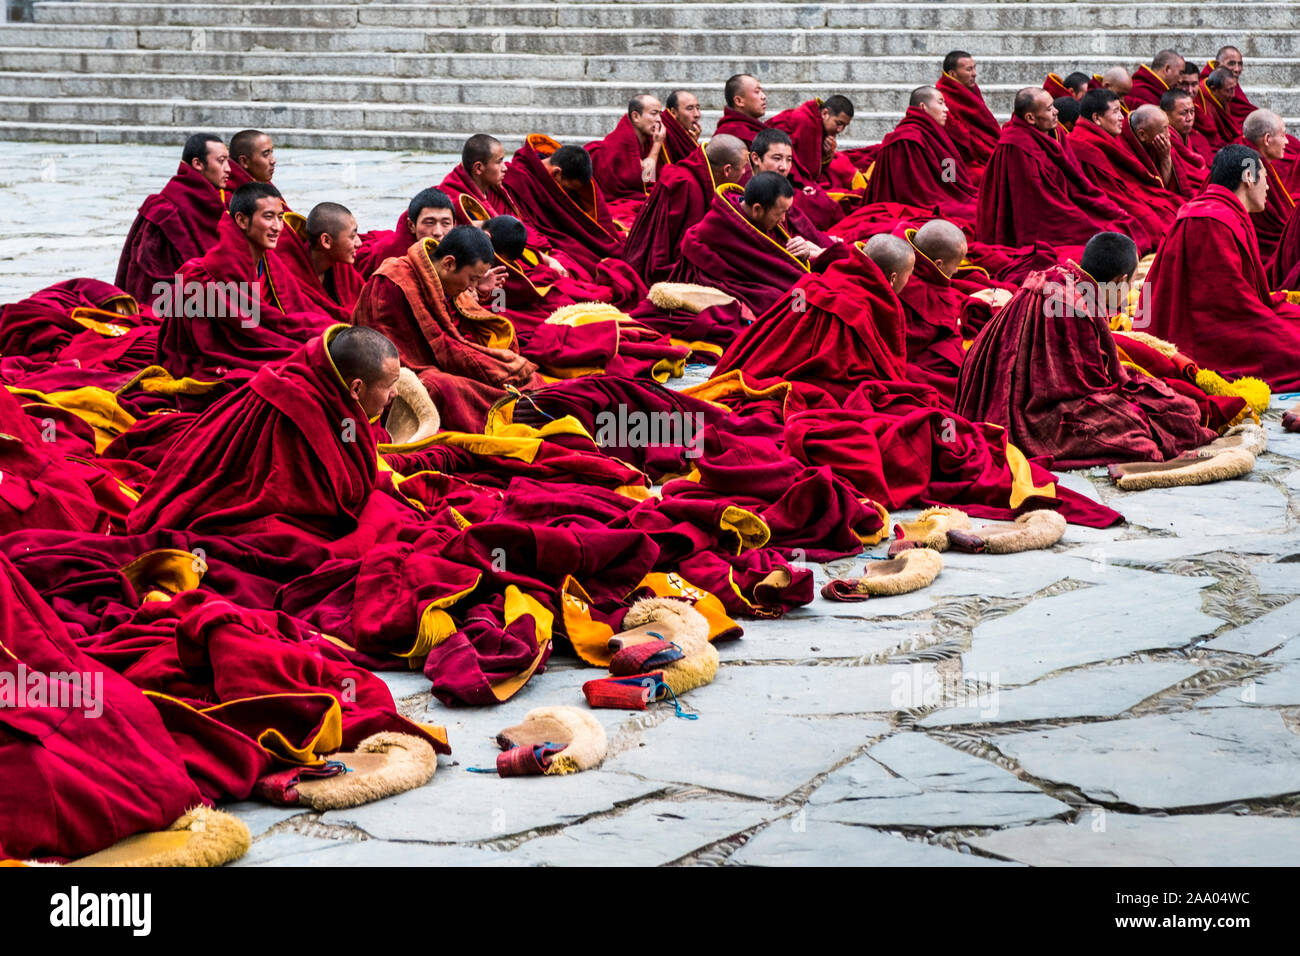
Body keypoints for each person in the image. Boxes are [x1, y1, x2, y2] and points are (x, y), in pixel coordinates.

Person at [956, 231, 1215, 468]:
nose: (1126, 296)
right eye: (1131, 283)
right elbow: (1085, 387)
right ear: (1120, 280)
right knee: (1148, 433)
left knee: (1170, 405)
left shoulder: (1060, 274)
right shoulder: (1077, 306)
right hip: (1033, 411)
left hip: (993, 392)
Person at [128, 324, 402, 542]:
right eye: (390, 385)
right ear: (355, 389)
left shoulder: (325, 386)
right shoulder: (301, 412)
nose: (396, 393)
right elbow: (317, 500)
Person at [353, 225, 542, 429]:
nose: (471, 287)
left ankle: (515, 404)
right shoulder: (391, 283)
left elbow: (457, 328)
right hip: (401, 372)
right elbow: (391, 355)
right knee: (444, 387)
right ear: (449, 263)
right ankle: (508, 412)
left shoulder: (438, 276)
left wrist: (482, 291)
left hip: (440, 359)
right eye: (472, 278)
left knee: (514, 365)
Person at [1144, 144, 1300, 391]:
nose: (1269, 187)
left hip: (1225, 317)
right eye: (1266, 179)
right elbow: (1224, 307)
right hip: (1206, 337)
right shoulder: (1211, 220)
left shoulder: (1220, 212)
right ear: (1248, 176)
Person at [156, 181, 330, 380]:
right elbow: (238, 341)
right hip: (226, 354)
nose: (278, 227)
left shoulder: (268, 260)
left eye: (280, 218)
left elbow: (293, 308)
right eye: (268, 217)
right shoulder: (209, 277)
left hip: (258, 340)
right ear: (241, 220)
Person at [977, 88, 1139, 249]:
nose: (1056, 111)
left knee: (1128, 223)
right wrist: (1079, 220)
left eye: (1053, 105)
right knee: (1103, 241)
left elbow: (1076, 180)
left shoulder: (1055, 132)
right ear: (1030, 118)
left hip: (1066, 201)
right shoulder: (1017, 146)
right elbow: (1035, 205)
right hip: (1043, 218)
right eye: (1049, 109)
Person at [115, 132, 230, 306]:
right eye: (221, 161)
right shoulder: (166, 210)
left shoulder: (217, 199)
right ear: (197, 164)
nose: (228, 169)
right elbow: (151, 276)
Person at [622, 133, 747, 284]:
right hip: (661, 266)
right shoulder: (687, 186)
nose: (745, 172)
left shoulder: (697, 175)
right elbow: (682, 247)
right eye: (743, 167)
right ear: (727, 170)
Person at [1067, 92, 1185, 242]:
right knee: (1153, 225)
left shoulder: (1108, 139)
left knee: (1173, 208)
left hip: (1126, 195)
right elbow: (1106, 193)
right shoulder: (1082, 147)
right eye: (1116, 111)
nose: (1122, 117)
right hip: (1107, 205)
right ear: (1097, 118)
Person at [865, 86, 977, 226]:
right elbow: (912, 192)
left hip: (946, 197)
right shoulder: (907, 139)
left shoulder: (938, 135)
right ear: (923, 107)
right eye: (941, 103)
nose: (946, 109)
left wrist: (957, 191)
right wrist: (953, 196)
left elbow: (949, 175)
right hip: (926, 204)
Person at [275, 201, 364, 322]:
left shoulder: (340, 265)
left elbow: (364, 303)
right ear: (326, 241)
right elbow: (249, 322)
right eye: (352, 236)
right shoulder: (284, 273)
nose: (359, 243)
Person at [584, 94, 669, 211]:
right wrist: (657, 144)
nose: (659, 119)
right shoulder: (622, 141)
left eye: (660, 114)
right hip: (616, 199)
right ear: (635, 117)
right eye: (654, 113)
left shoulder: (649, 138)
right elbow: (646, 177)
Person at [1235, 108, 1296, 260]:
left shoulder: (1255, 160)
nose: (1287, 141)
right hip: (1263, 252)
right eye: (1283, 135)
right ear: (1267, 139)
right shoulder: (1249, 165)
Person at [354, 187, 455, 279]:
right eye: (429, 223)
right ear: (411, 226)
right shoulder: (392, 257)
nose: (438, 232)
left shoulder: (459, 250)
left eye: (445, 223)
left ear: (454, 225)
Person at [767, 94, 860, 189]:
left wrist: (826, 153)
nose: (840, 130)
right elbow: (808, 171)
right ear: (824, 113)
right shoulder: (807, 123)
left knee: (835, 179)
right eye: (838, 123)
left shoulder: (820, 124)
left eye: (844, 126)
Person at [936, 50, 1001, 178]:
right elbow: (959, 136)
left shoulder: (970, 89)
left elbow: (984, 123)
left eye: (974, 68)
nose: (974, 74)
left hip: (984, 151)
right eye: (969, 69)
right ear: (952, 74)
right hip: (961, 160)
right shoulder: (942, 98)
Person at [1161, 88, 1211, 187]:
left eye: (1192, 112)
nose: (1190, 118)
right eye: (1183, 113)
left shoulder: (1184, 135)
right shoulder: (1164, 139)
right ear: (1166, 114)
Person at [713, 73, 769, 146]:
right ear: (739, 101)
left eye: (762, 91)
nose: (764, 96)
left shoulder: (752, 129)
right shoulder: (731, 134)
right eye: (757, 92)